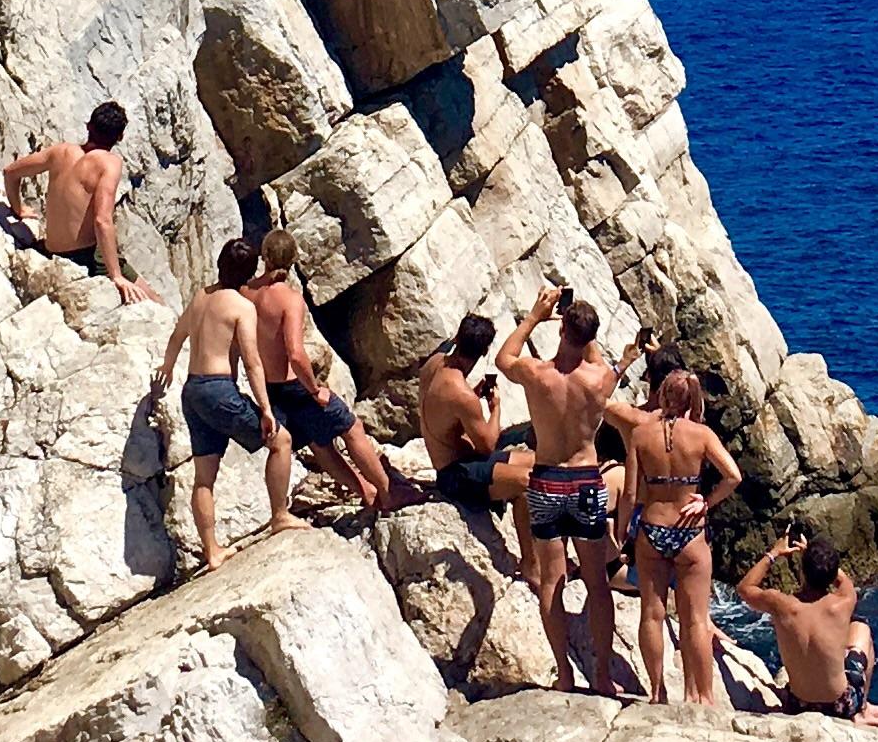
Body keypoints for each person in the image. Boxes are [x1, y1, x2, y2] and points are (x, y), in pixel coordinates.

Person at [497, 286, 627, 695]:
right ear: (591, 339)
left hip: (547, 479)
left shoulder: (537, 375)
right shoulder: (601, 379)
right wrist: (584, 337)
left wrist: (537, 314)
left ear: (561, 331)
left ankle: (565, 675)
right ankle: (602, 676)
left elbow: (504, 357)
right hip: (587, 481)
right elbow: (597, 362)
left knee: (553, 580)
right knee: (596, 581)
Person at [152, 237, 300, 571]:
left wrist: (167, 367)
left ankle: (212, 550)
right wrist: (264, 408)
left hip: (192, 390)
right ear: (249, 273)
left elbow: (177, 336)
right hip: (219, 389)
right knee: (282, 441)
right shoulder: (240, 306)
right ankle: (280, 515)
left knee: (204, 476)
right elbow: (252, 362)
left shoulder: (201, 296)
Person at [250, 228, 413, 515]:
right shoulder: (289, 299)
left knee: (320, 445)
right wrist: (315, 389)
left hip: (269, 388)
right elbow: (296, 353)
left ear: (264, 256)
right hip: (295, 386)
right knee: (352, 428)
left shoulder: (247, 292)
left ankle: (367, 493)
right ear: (293, 260)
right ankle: (388, 493)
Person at [605, 368, 740, 706]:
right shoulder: (701, 434)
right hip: (689, 532)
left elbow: (632, 492)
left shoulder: (639, 434)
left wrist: (623, 533)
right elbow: (733, 476)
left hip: (651, 529)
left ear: (663, 395)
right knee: (695, 619)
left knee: (651, 613)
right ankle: (703, 697)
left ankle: (656, 692)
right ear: (693, 399)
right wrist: (706, 502)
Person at [0, 100, 164, 304]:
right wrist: (116, 276)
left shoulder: (61, 152)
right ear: (120, 137)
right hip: (83, 257)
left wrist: (19, 209)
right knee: (154, 301)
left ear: (88, 126)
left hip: (52, 248)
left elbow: (10, 173)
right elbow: (102, 220)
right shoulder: (108, 163)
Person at [417, 312, 538, 577]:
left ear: (457, 337)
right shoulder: (461, 394)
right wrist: (495, 409)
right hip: (455, 476)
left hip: (456, 460)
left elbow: (443, 410)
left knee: (538, 463)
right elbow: (488, 446)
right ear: (484, 352)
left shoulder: (434, 363)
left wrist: (472, 397)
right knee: (528, 484)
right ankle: (531, 564)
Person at [735, 528, 878, 722]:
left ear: (802, 572)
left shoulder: (780, 605)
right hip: (841, 705)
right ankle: (861, 710)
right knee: (861, 629)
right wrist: (812, 554)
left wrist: (774, 553)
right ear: (831, 572)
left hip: (797, 705)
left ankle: (860, 708)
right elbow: (842, 579)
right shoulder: (844, 601)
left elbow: (744, 588)